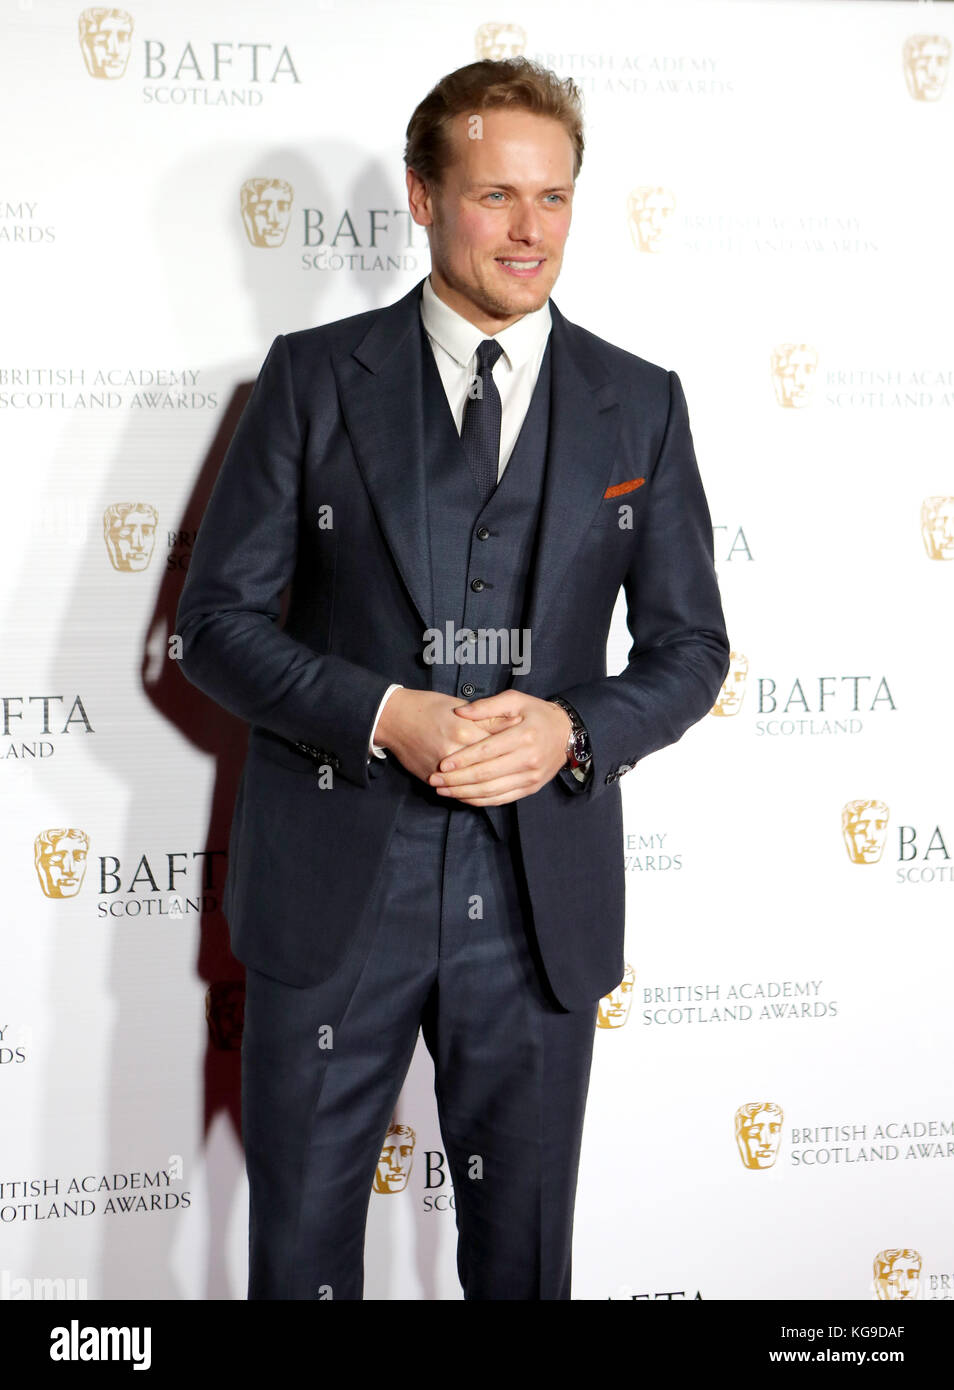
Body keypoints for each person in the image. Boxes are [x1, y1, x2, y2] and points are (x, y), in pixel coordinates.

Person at [175, 56, 730, 1300]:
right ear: (423, 198)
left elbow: (692, 650)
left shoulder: (640, 405)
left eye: (555, 198)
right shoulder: (313, 379)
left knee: (525, 1265)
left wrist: (571, 731)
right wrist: (382, 712)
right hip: (334, 891)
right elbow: (211, 623)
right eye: (495, 196)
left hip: (538, 904)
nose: (530, 231)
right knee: (301, 1260)